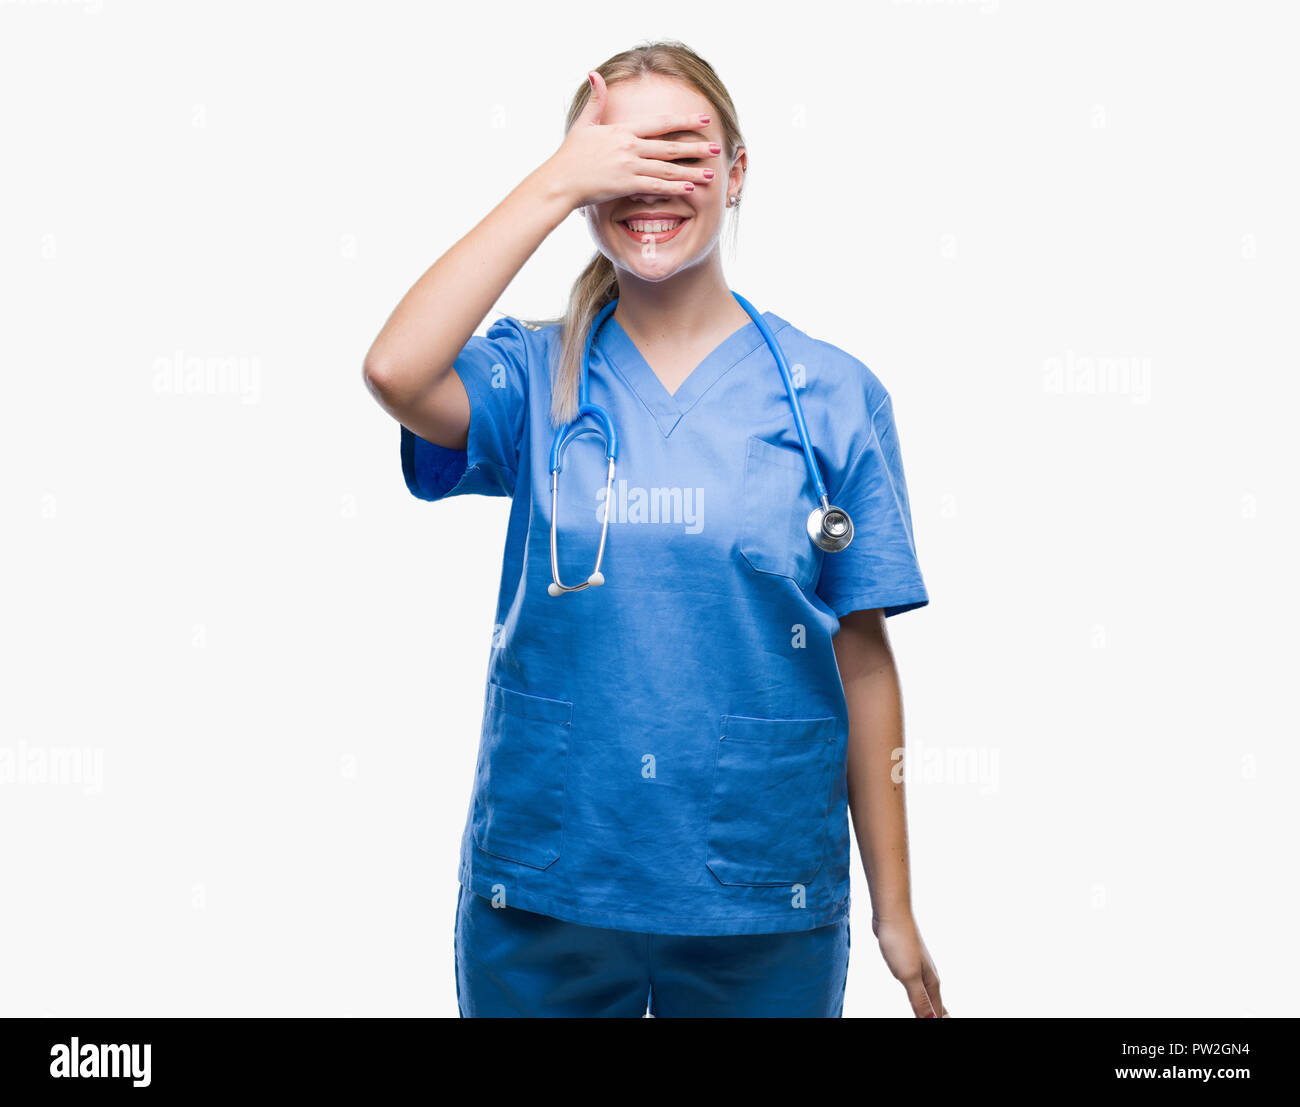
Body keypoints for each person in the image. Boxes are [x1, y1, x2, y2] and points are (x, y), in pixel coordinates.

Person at [363, 40, 948, 1019]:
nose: (649, 180)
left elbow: (861, 656)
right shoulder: (532, 379)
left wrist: (895, 909)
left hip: (763, 900)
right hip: (547, 890)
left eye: (681, 150)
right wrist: (553, 185)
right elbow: (395, 372)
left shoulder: (833, 396)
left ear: (736, 172)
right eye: (616, 156)